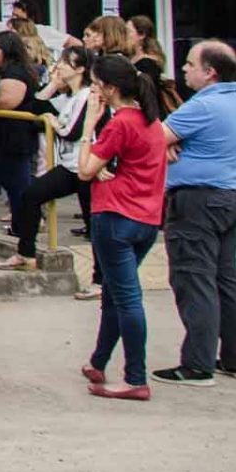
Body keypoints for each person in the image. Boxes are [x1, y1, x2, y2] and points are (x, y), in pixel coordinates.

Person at [80, 53, 169, 400]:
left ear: (110, 89)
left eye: (97, 84)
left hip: (116, 215)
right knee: (117, 295)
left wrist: (89, 125)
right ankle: (98, 360)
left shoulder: (120, 123)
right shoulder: (150, 121)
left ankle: (135, 377)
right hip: (146, 217)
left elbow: (85, 169)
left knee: (126, 298)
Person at [155, 40, 236, 386]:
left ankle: (197, 364)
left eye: (190, 64)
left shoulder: (202, 106)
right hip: (230, 195)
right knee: (226, 278)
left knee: (194, 277)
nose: (184, 69)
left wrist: (171, 141)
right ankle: (231, 357)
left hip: (198, 200)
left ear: (210, 72)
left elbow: (151, 139)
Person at [0, 47, 98, 273]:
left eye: (66, 63)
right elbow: (36, 106)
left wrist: (53, 122)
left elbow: (74, 131)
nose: (60, 66)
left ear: (81, 69)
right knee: (30, 196)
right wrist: (52, 85)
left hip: (87, 165)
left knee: (95, 224)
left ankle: (101, 280)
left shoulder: (87, 95)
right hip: (70, 166)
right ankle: (26, 254)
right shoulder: (69, 96)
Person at [0, 30, 46, 225]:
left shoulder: (15, 72)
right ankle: (22, 222)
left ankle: (26, 224)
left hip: (16, 137)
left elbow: (8, 101)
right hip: (7, 136)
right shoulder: (5, 71)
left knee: (18, 184)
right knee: (12, 182)